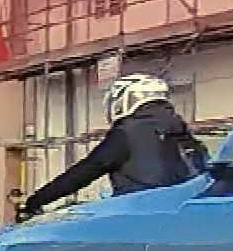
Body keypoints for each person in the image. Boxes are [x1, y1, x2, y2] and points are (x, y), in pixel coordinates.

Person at [21, 73, 208, 219]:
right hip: (183, 215)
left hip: (138, 216)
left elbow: (85, 171)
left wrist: (36, 200)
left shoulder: (127, 132)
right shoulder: (183, 132)